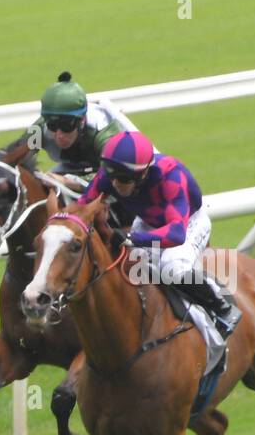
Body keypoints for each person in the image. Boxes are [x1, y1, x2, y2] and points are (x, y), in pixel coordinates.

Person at [77, 130, 241, 337]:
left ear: (143, 173)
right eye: (112, 176)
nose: (116, 184)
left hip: (187, 223)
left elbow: (176, 234)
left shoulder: (171, 175)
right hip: (148, 221)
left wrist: (131, 238)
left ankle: (222, 308)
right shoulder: (110, 174)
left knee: (172, 268)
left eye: (124, 179)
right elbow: (81, 206)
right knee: (127, 266)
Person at [9, 71, 124, 178]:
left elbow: (113, 178)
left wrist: (69, 182)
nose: (59, 135)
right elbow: (12, 157)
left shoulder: (102, 131)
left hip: (119, 174)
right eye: (52, 125)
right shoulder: (40, 128)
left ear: (82, 120)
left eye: (66, 126)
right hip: (71, 168)